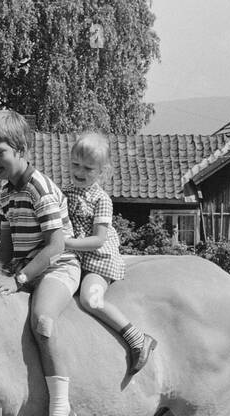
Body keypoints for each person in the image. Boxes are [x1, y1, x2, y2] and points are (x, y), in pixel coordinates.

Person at [0, 109, 83, 416]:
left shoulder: (41, 189)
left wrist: (20, 279)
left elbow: (56, 245)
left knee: (42, 321)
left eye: (0, 153)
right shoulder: (6, 195)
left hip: (58, 267)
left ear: (21, 149)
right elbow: (7, 246)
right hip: (27, 266)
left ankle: (62, 412)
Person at [64, 131, 157, 373]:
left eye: (88, 168)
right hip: (73, 258)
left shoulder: (101, 199)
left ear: (102, 172)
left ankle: (136, 337)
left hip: (97, 260)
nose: (80, 172)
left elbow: (98, 239)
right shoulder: (65, 193)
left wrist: (66, 243)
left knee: (90, 300)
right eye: (75, 165)